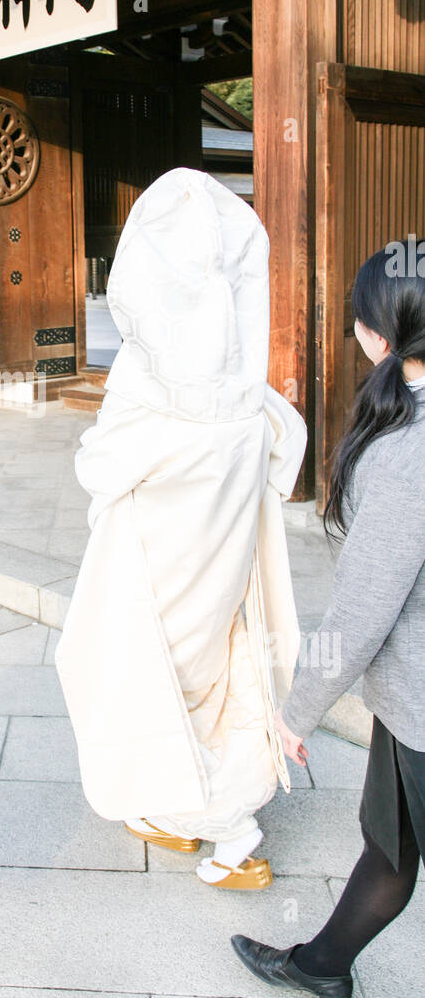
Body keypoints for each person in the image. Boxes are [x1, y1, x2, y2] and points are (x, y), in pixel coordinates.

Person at [56, 167, 307, 888]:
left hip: (155, 574)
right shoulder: (244, 395)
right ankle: (203, 819)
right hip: (221, 575)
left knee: (147, 683)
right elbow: (283, 452)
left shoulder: (154, 388)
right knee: (214, 680)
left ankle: (228, 830)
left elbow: (100, 469)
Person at [232, 242, 425, 998]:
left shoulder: (408, 453)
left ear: (378, 332)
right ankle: (323, 965)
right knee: (390, 844)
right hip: (412, 704)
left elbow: (363, 610)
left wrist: (296, 709)